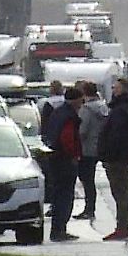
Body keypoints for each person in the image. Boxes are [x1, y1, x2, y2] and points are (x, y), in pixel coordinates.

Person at [41, 87, 84, 242]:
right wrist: (74, 155)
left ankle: (57, 228)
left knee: (58, 194)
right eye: (81, 99)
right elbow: (67, 139)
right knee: (65, 196)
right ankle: (59, 230)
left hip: (54, 158)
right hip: (64, 160)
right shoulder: (69, 117)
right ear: (77, 100)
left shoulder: (57, 113)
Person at [100, 77, 128, 241]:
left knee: (121, 193)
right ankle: (122, 226)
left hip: (118, 159)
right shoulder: (123, 109)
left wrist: (109, 154)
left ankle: (122, 227)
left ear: (123, 89)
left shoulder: (120, 111)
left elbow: (117, 137)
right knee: (121, 192)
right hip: (121, 158)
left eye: (116, 88)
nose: (113, 90)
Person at [75, 81, 109, 220]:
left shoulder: (86, 109)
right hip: (99, 146)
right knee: (90, 179)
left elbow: (82, 130)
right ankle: (90, 208)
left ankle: (89, 209)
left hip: (86, 148)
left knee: (86, 180)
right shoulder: (103, 107)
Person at [38, 79, 66, 215]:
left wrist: (45, 139)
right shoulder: (65, 102)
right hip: (65, 143)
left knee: (53, 176)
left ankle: (53, 205)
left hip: (53, 143)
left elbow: (44, 125)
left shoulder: (48, 104)